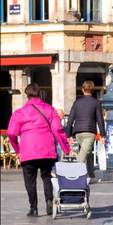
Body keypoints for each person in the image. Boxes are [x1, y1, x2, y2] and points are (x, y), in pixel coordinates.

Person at [7, 84, 71, 217]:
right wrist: (66, 148)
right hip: (47, 149)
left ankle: (33, 208)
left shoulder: (19, 113)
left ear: (26, 95)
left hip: (28, 150)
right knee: (47, 176)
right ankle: (48, 200)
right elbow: (57, 130)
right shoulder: (50, 110)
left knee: (30, 180)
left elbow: (11, 133)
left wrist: (18, 150)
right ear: (40, 94)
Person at [67, 80, 106, 175]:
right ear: (92, 91)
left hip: (78, 132)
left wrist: (69, 134)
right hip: (90, 131)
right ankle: (76, 176)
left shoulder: (76, 103)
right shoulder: (96, 103)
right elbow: (100, 120)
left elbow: (70, 120)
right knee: (83, 156)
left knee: (86, 153)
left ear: (83, 90)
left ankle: (91, 175)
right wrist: (103, 135)